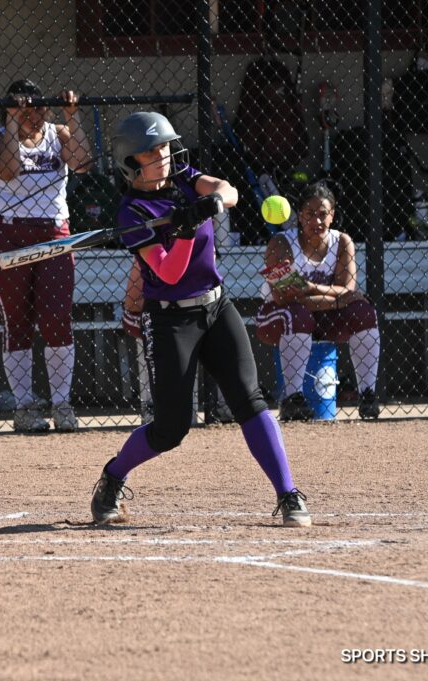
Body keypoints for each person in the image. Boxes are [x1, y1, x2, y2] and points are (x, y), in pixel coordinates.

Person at [90, 111, 310, 528]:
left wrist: (211, 202)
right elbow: (169, 272)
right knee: (171, 429)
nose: (165, 154)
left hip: (216, 306)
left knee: (249, 399)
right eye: (154, 150)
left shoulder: (182, 177)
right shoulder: (132, 214)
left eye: (166, 146)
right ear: (131, 161)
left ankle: (288, 493)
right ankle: (113, 475)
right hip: (170, 320)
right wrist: (187, 229)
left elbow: (228, 191)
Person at [0, 79, 92, 433]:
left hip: (53, 232)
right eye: (26, 110)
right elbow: (8, 169)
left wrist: (71, 117)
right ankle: (25, 406)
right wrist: (13, 121)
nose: (34, 116)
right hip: (8, 232)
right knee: (19, 321)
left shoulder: (57, 133)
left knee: (56, 316)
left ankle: (62, 403)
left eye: (39, 108)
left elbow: (84, 163)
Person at [255, 181, 381, 420]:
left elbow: (349, 289)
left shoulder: (342, 242)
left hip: (320, 319)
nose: (317, 221)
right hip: (275, 317)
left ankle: (368, 395)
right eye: (310, 214)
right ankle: (293, 399)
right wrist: (336, 298)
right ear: (300, 217)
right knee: (296, 314)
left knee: (364, 311)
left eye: (323, 214)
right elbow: (283, 297)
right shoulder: (280, 243)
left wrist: (309, 289)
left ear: (332, 215)